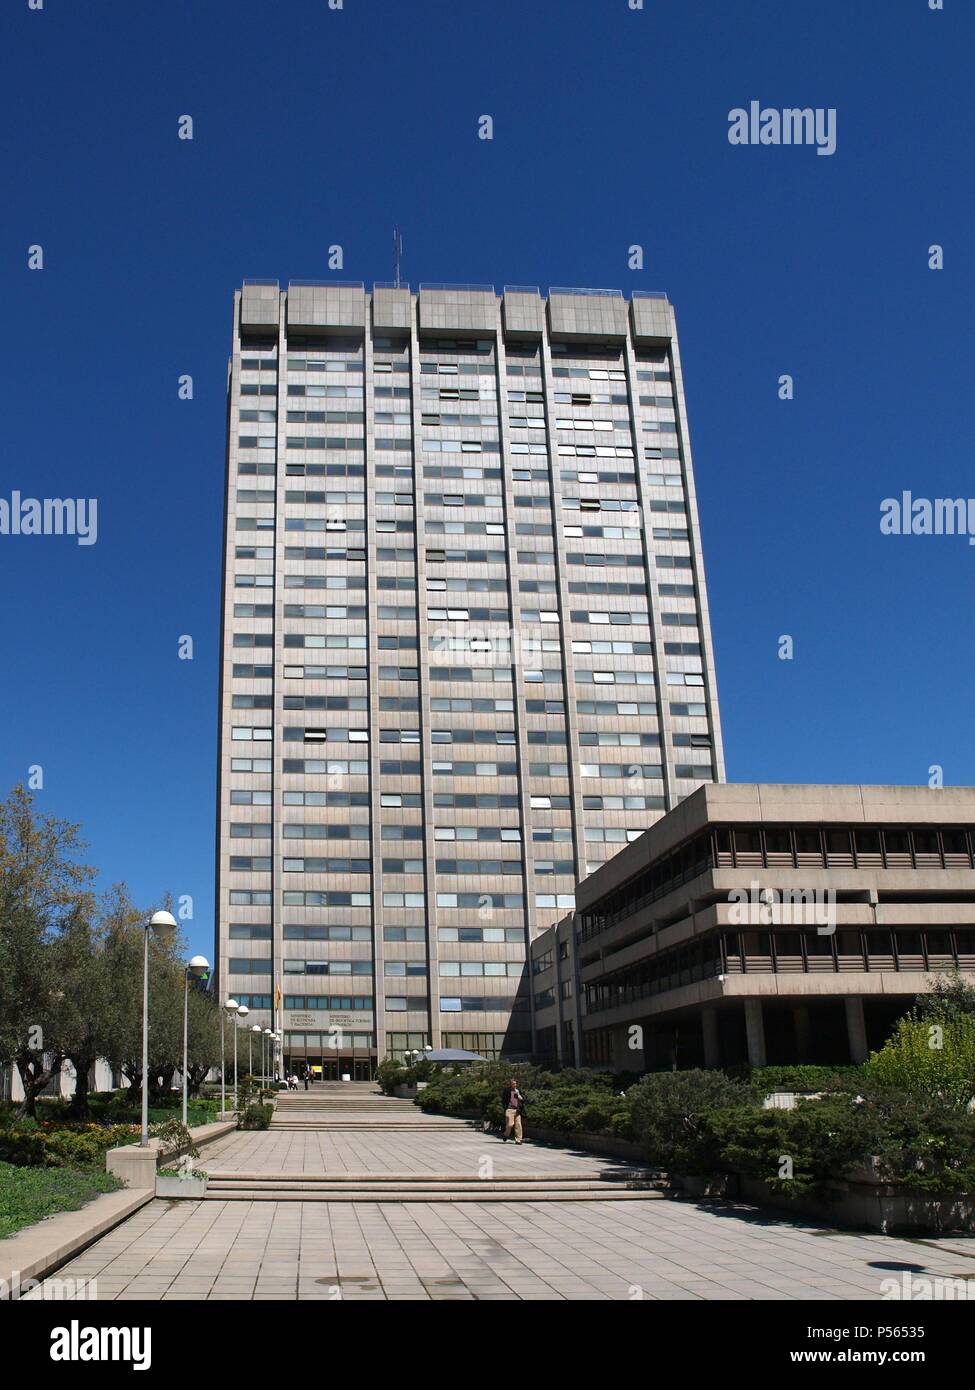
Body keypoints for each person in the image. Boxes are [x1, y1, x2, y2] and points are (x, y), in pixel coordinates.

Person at [500, 1078, 526, 1144]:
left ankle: (518, 1140)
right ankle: (506, 1135)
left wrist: (520, 1097)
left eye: (515, 1083)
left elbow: (523, 1100)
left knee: (518, 1125)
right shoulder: (506, 1091)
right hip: (509, 1109)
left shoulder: (518, 1091)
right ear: (511, 1084)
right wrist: (505, 1108)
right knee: (510, 1125)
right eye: (513, 1084)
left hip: (517, 1110)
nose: (515, 1085)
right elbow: (503, 1100)